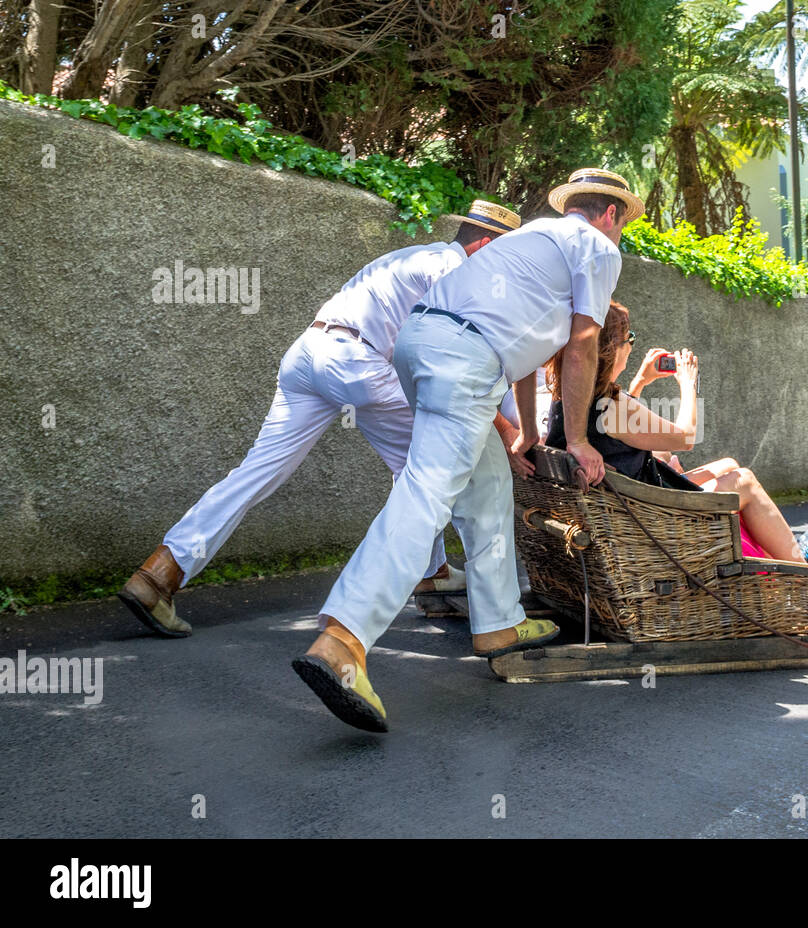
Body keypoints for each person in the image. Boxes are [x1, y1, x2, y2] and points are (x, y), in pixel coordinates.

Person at [293, 168, 644, 733]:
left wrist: (528, 432)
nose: (620, 234)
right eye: (622, 224)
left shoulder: (533, 238)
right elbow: (582, 343)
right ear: (610, 215)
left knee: (487, 489)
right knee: (429, 492)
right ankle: (343, 641)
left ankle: (499, 623)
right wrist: (576, 439)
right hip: (467, 361)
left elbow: (529, 355)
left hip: (423, 344)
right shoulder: (598, 248)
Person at [118, 201, 521, 638]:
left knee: (256, 473)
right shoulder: (452, 269)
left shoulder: (413, 255)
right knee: (429, 467)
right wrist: (506, 427)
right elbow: (454, 360)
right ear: (483, 244)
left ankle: (159, 574)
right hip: (359, 363)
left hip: (310, 353)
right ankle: (451, 590)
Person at [543, 302, 808, 565]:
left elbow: (619, 436)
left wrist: (640, 381)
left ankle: (770, 553)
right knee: (746, 482)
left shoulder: (567, 397)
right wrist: (688, 383)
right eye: (629, 339)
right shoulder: (614, 407)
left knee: (728, 465)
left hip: (629, 504)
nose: (630, 346)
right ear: (610, 349)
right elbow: (686, 437)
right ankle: (800, 566)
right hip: (654, 517)